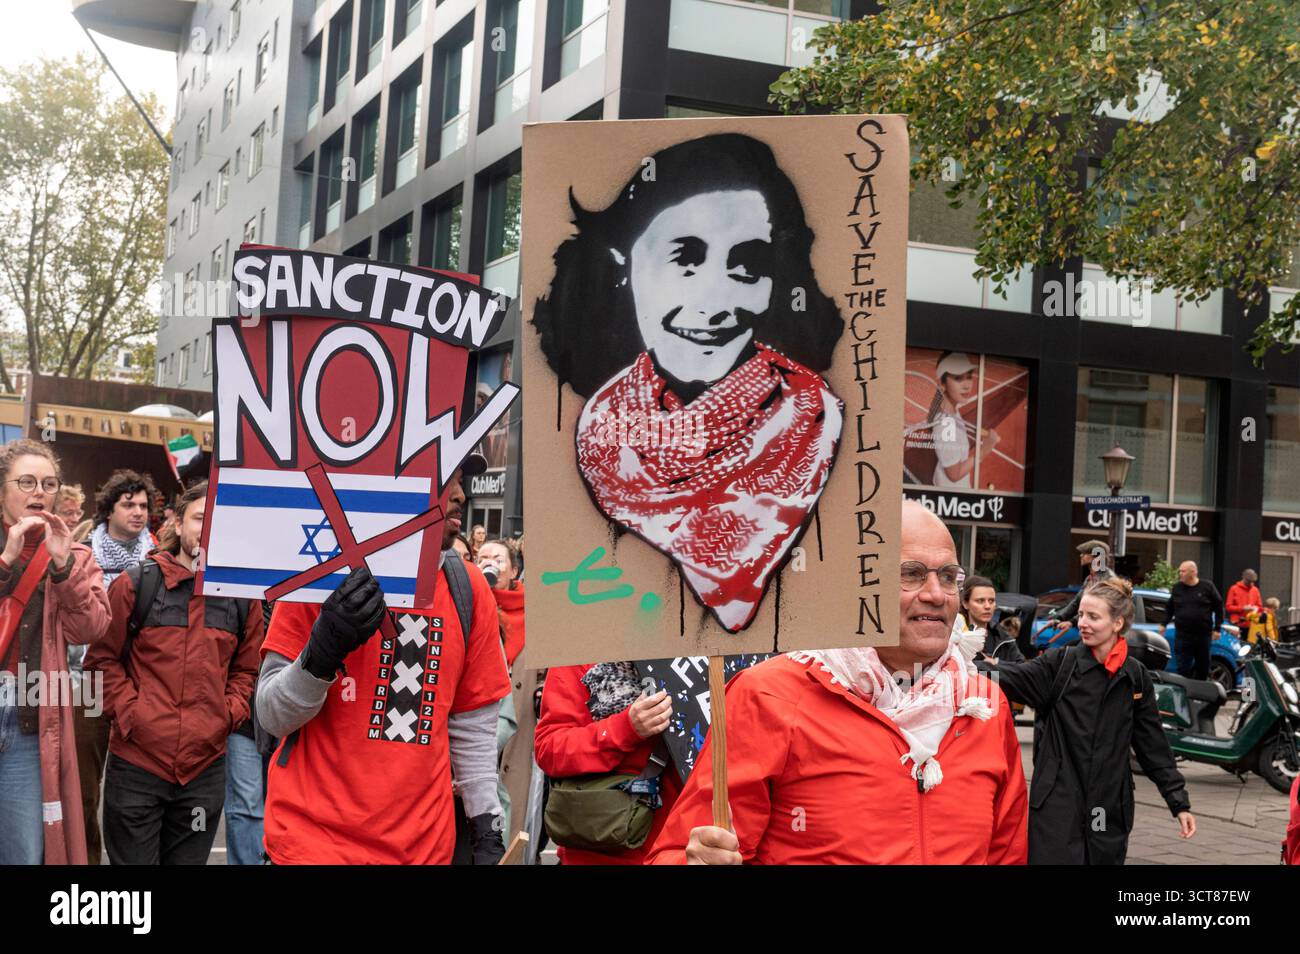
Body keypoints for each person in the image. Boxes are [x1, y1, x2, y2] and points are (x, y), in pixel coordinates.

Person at [536, 133, 845, 634]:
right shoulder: (601, 426)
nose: (714, 301)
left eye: (748, 266)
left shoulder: (813, 413)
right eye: (685, 259)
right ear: (626, 267)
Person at [646, 501, 1027, 864]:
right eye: (910, 574)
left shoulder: (984, 706)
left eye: (948, 577)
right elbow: (680, 850)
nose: (936, 595)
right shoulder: (767, 696)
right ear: (859, 582)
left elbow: (1007, 853)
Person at [254, 459, 512, 864]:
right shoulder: (319, 574)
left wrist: (486, 825)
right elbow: (271, 715)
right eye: (447, 480)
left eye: (462, 482)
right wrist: (320, 655)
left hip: (423, 852)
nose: (461, 495)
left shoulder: (469, 588)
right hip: (311, 846)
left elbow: (473, 726)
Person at [86, 481, 261, 865]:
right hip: (138, 765)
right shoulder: (137, 583)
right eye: (201, 518)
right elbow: (100, 663)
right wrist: (133, 715)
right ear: (178, 525)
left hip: (203, 771)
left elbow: (247, 670)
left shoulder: (243, 598)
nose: (210, 527)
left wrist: (224, 717)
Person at [979, 577, 1195, 863]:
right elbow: (1010, 677)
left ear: (1117, 623)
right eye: (1081, 614)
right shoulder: (1060, 664)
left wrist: (1178, 801)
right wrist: (962, 667)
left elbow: (1152, 744)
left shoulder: (1135, 677)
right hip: (1058, 806)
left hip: (1108, 810)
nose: (1082, 623)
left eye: (1093, 616)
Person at [0, 439, 111, 865]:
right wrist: (7, 559)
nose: (39, 492)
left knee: (20, 852)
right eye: (26, 481)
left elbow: (93, 627)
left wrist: (63, 569)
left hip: (31, 717)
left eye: (48, 483)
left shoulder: (75, 555)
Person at [76, 469, 158, 863]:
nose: (138, 512)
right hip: (88, 684)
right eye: (129, 505)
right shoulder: (82, 553)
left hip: (142, 687)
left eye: (144, 506)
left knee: (135, 793)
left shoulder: (159, 556)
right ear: (109, 509)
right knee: (84, 789)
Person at [534, 663, 682, 865]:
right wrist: (626, 728)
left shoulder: (710, 647)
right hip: (599, 849)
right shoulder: (582, 650)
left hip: (681, 847)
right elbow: (550, 750)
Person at [926, 352, 998, 488]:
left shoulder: (951, 409)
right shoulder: (945, 424)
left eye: (969, 377)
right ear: (942, 383)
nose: (967, 385)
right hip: (949, 494)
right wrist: (984, 450)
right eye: (958, 378)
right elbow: (954, 475)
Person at [1050, 539, 1116, 637]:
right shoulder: (1089, 578)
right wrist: (1059, 617)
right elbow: (1076, 602)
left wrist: (1072, 622)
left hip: (1100, 634)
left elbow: (1096, 607)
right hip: (1088, 630)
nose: (1081, 555)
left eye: (1085, 553)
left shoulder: (1108, 579)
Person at [1170, 561, 1223, 681]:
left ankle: (1201, 694)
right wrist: (1164, 623)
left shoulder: (1207, 587)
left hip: (1202, 635)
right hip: (1183, 635)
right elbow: (1170, 607)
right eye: (1180, 571)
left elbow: (1219, 607)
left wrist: (1217, 628)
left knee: (1203, 666)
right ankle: (1183, 692)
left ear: (1193, 572)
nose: (1180, 573)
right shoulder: (1177, 588)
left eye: (1183, 571)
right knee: (1182, 666)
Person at [960, 574, 1024, 663]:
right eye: (980, 601)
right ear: (965, 603)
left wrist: (997, 664)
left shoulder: (1004, 638)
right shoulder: (955, 639)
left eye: (991, 601)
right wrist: (989, 669)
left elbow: (1023, 672)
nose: (987, 606)